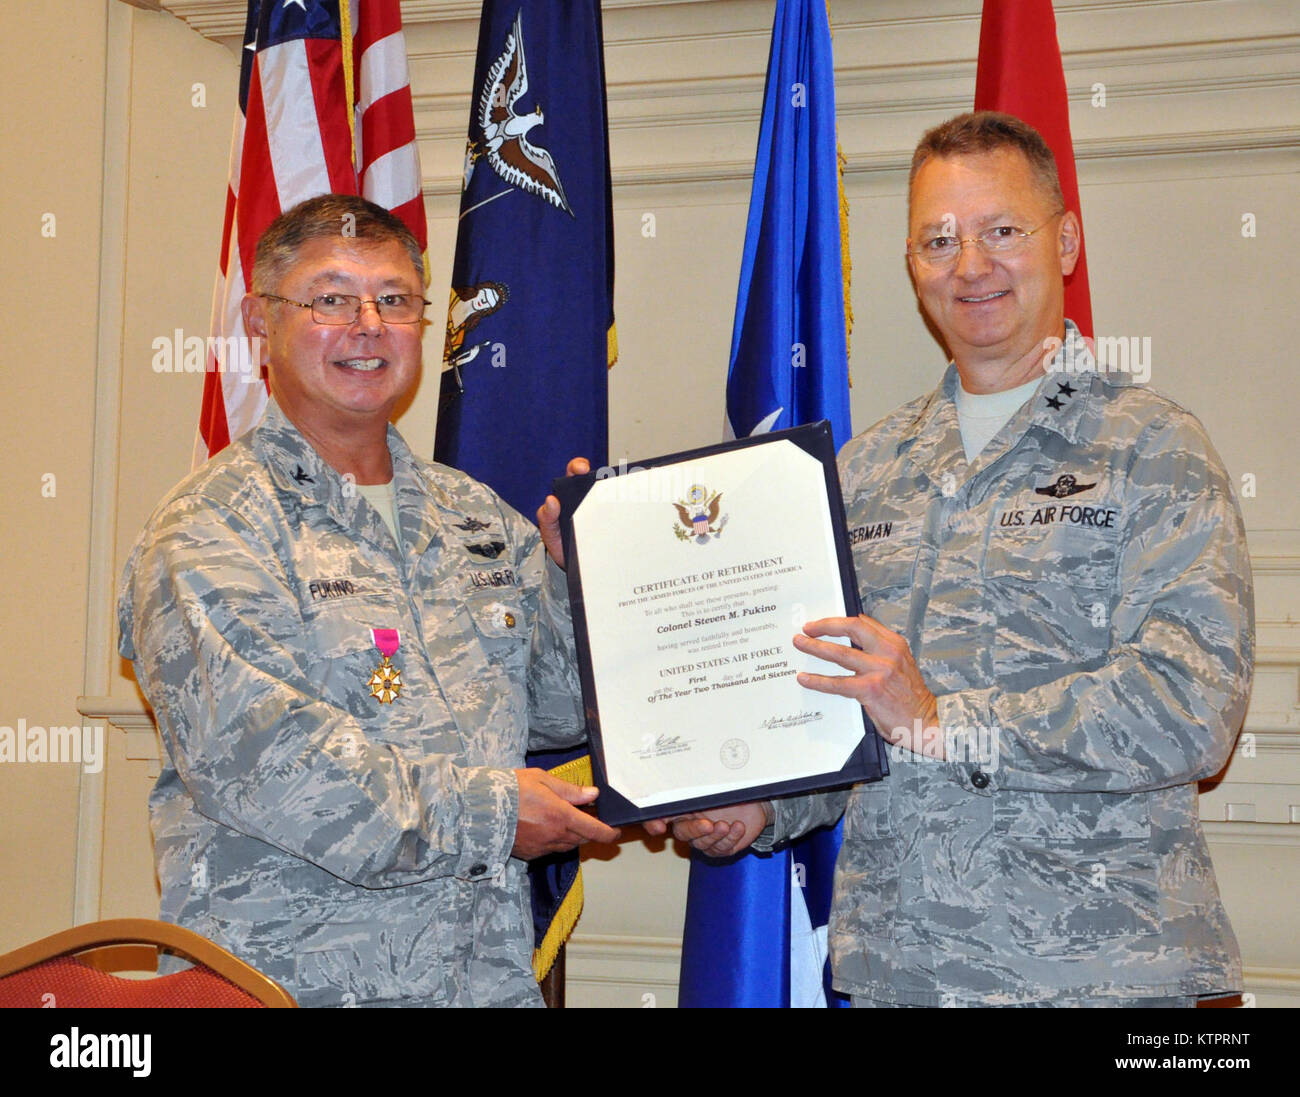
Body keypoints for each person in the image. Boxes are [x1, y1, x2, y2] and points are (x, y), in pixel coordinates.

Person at [651, 111, 1255, 1007]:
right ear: (911, 264)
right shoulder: (864, 470)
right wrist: (759, 804)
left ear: (1067, 241)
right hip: (903, 974)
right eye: (939, 239)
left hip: (1107, 980)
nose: (969, 264)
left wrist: (942, 718)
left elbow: (1192, 706)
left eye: (1001, 231)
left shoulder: (1151, 446)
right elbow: (841, 719)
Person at [118, 194, 617, 1008]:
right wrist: (494, 813)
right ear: (260, 320)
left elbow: (557, 710)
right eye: (330, 298)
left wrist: (569, 583)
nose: (367, 324)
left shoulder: (473, 516)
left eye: (393, 300)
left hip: (482, 984)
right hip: (290, 988)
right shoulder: (211, 529)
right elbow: (275, 770)